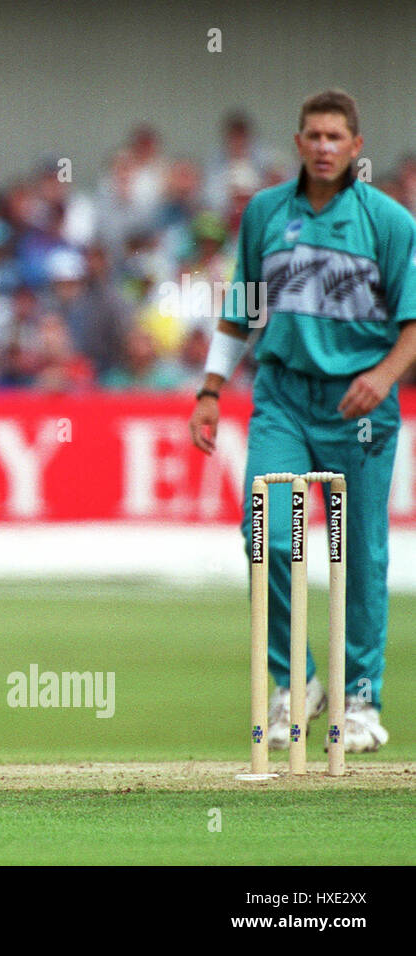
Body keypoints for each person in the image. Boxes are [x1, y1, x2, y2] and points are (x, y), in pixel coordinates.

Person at [189, 90, 416, 754]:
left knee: (362, 555)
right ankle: (298, 680)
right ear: (297, 143)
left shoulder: (389, 222)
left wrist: (383, 376)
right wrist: (209, 390)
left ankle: (362, 699)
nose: (322, 146)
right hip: (283, 398)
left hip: (359, 408)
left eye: (334, 137)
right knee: (267, 533)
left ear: (356, 146)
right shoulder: (265, 213)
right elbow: (239, 311)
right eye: (312, 135)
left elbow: (412, 323)